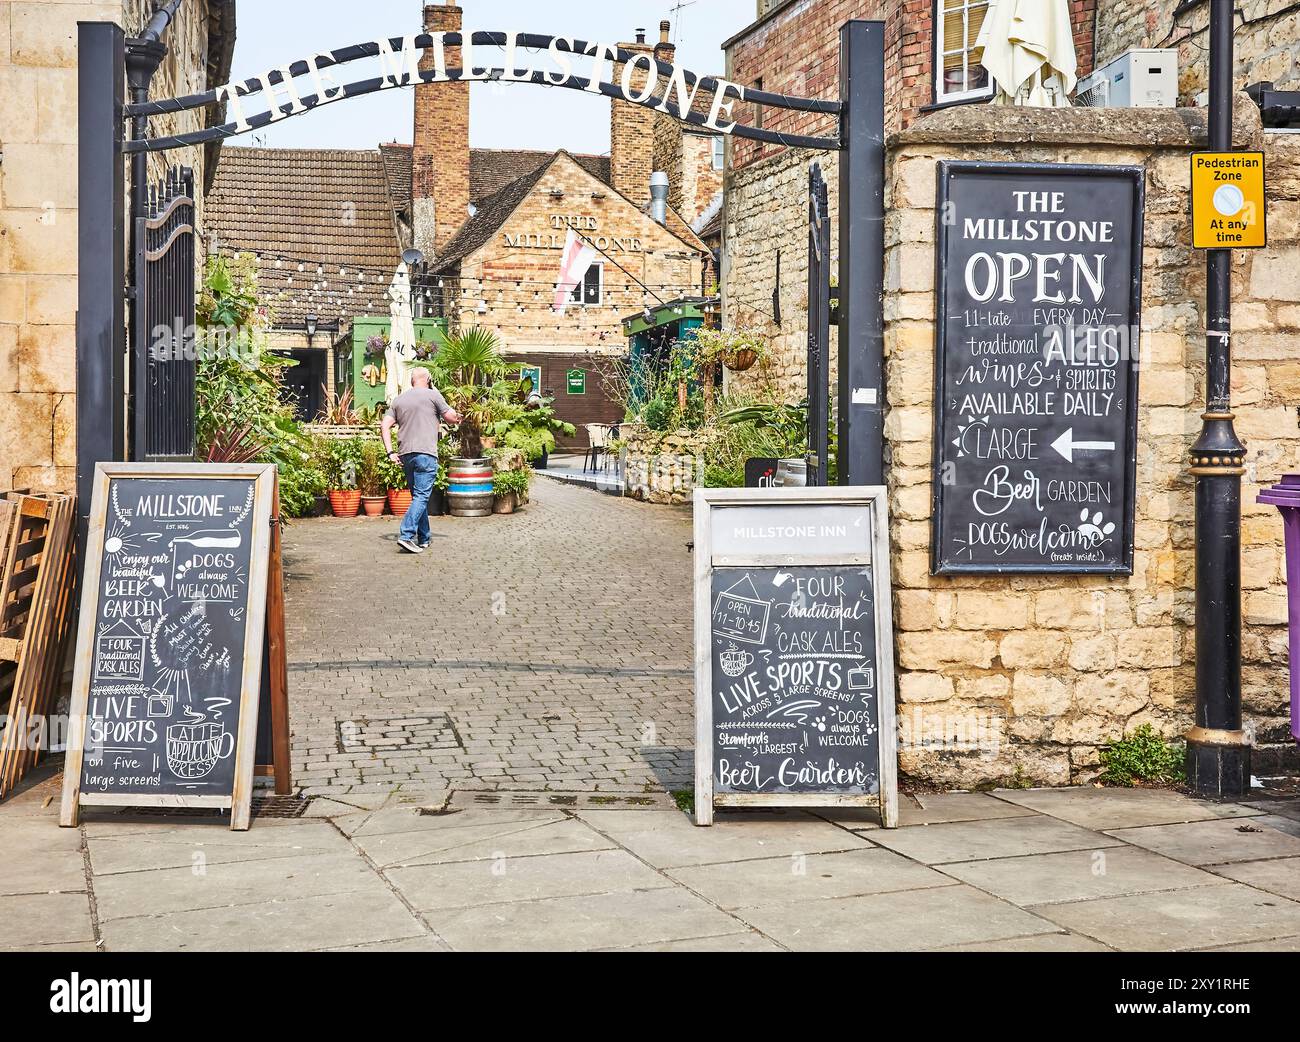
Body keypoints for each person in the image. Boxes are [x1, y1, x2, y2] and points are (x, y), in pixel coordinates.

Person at [381, 369, 461, 554]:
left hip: (405, 455)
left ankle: (424, 538)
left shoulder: (399, 400)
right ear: (428, 380)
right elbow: (451, 418)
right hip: (426, 453)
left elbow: (384, 425)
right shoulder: (433, 395)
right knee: (422, 496)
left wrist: (390, 452)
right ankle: (406, 535)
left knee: (418, 496)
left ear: (411, 381)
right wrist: (456, 415)